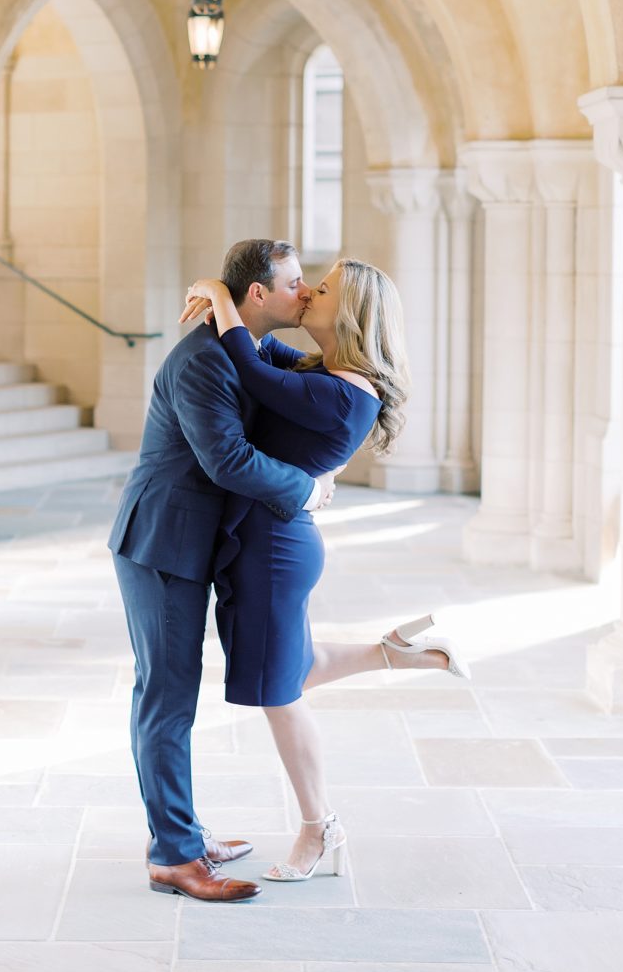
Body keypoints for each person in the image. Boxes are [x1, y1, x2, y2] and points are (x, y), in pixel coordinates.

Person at [181, 257, 470, 883]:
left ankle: (320, 826)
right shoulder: (326, 373)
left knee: (278, 694)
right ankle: (395, 652)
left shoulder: (341, 394)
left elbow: (250, 365)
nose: (310, 291)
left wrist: (218, 294)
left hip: (274, 550)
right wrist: (233, 304)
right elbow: (261, 354)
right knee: (286, 668)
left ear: (351, 312)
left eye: (325, 288)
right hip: (271, 541)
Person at [108, 238, 338, 903]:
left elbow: (315, 372)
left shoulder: (250, 344)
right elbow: (228, 461)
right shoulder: (203, 360)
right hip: (161, 544)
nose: (305, 292)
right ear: (259, 293)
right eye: (295, 283)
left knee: (173, 694)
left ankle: (180, 834)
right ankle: (175, 857)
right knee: (167, 697)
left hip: (192, 541)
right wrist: (307, 490)